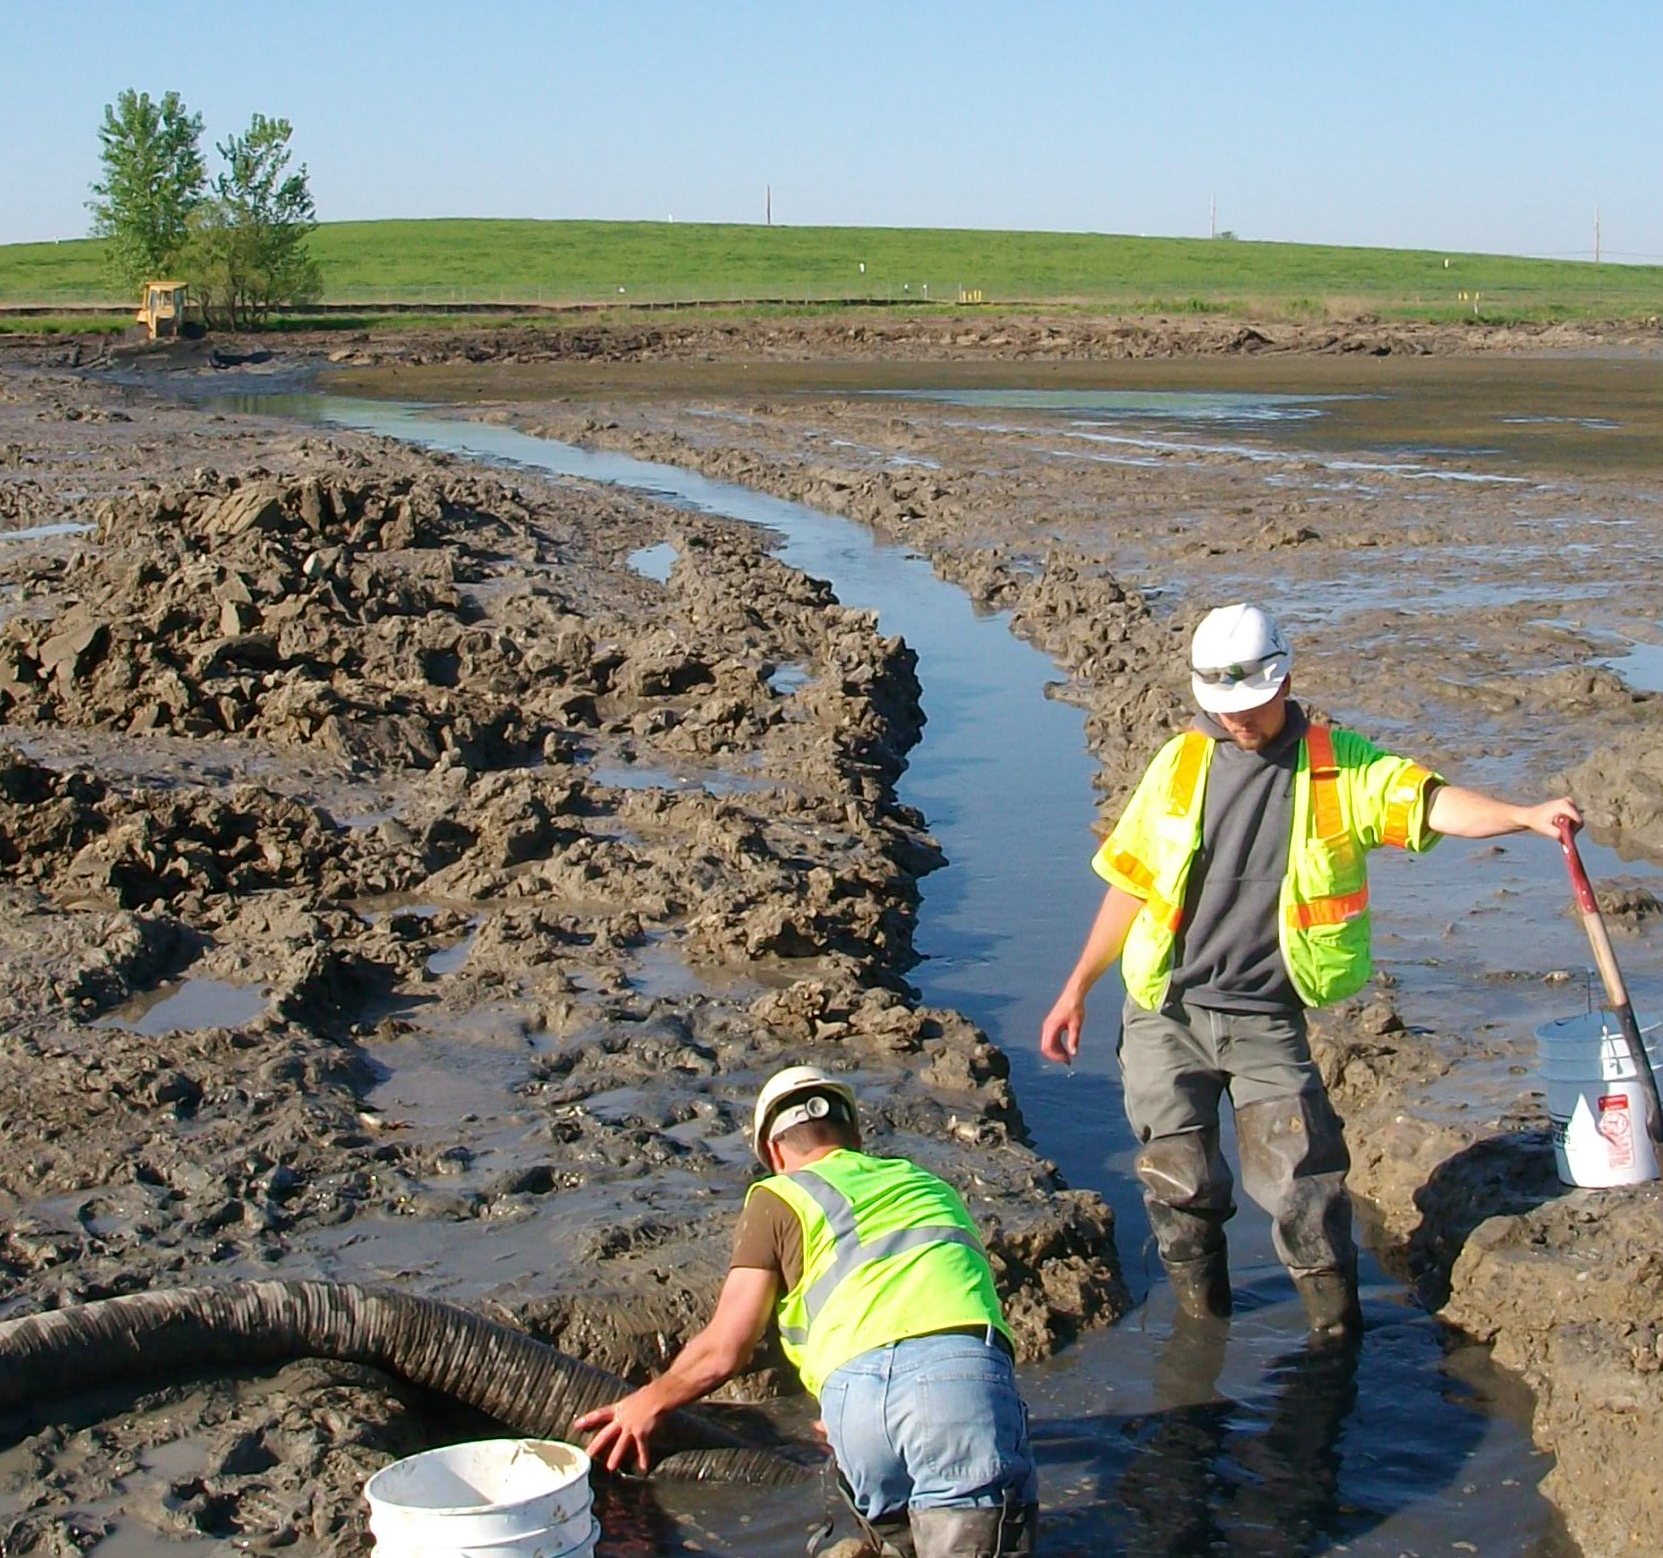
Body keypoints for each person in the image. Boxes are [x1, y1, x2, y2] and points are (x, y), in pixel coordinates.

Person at [1041, 602, 1581, 1336]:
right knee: (1178, 1181)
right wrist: (1077, 988)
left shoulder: (1340, 766)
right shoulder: (1180, 763)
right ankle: (1203, 1330)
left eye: (1252, 704)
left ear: (1285, 679)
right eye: (1222, 706)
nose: (1238, 721)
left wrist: (1522, 815)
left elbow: (1429, 803)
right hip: (1165, 1012)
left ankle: (1334, 1345)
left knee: (1304, 1189)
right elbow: (1132, 883)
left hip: (1264, 1018)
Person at [574, 1066, 1038, 1558]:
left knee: (897, 1542)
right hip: (958, 1388)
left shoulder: (778, 1195)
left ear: (774, 1152)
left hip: (854, 1408)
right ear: (855, 1137)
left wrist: (649, 1400)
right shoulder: (929, 1186)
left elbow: (725, 1347)